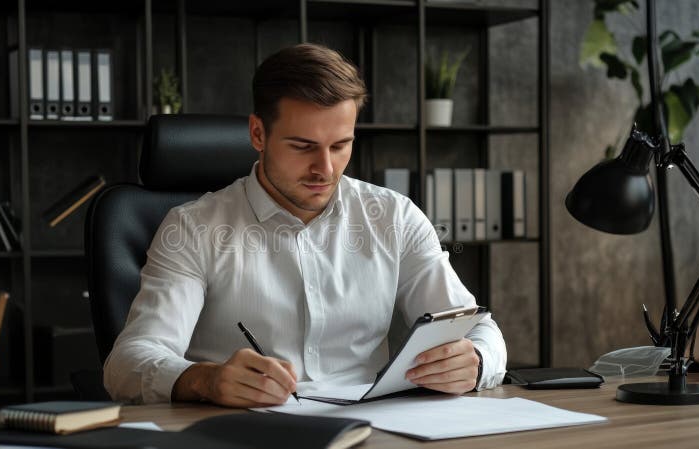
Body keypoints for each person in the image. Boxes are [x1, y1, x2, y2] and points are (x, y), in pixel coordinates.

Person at [104, 43, 507, 407]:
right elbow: (127, 363)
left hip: (372, 428)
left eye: (340, 145)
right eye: (303, 147)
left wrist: (475, 360)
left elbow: (480, 329)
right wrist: (205, 380)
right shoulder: (193, 228)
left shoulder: (394, 217)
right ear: (258, 133)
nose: (325, 168)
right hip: (246, 431)